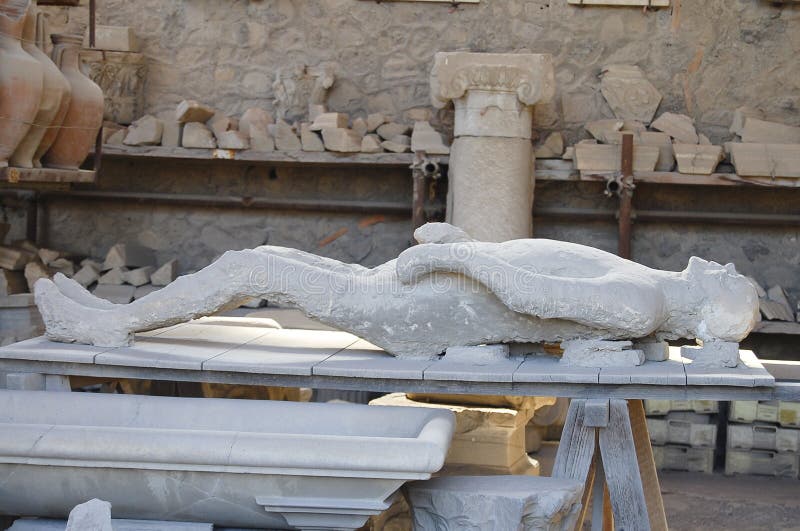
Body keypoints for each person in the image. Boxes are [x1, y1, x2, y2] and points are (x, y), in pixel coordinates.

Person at [35, 223, 758, 359]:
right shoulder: (649, 287)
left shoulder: (643, 305)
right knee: (263, 254)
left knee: (249, 268)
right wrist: (464, 240)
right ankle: (116, 313)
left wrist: (468, 253)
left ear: (717, 309)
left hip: (410, 311)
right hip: (422, 287)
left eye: (737, 282)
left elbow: (533, 293)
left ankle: (105, 330)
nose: (726, 267)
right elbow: (536, 270)